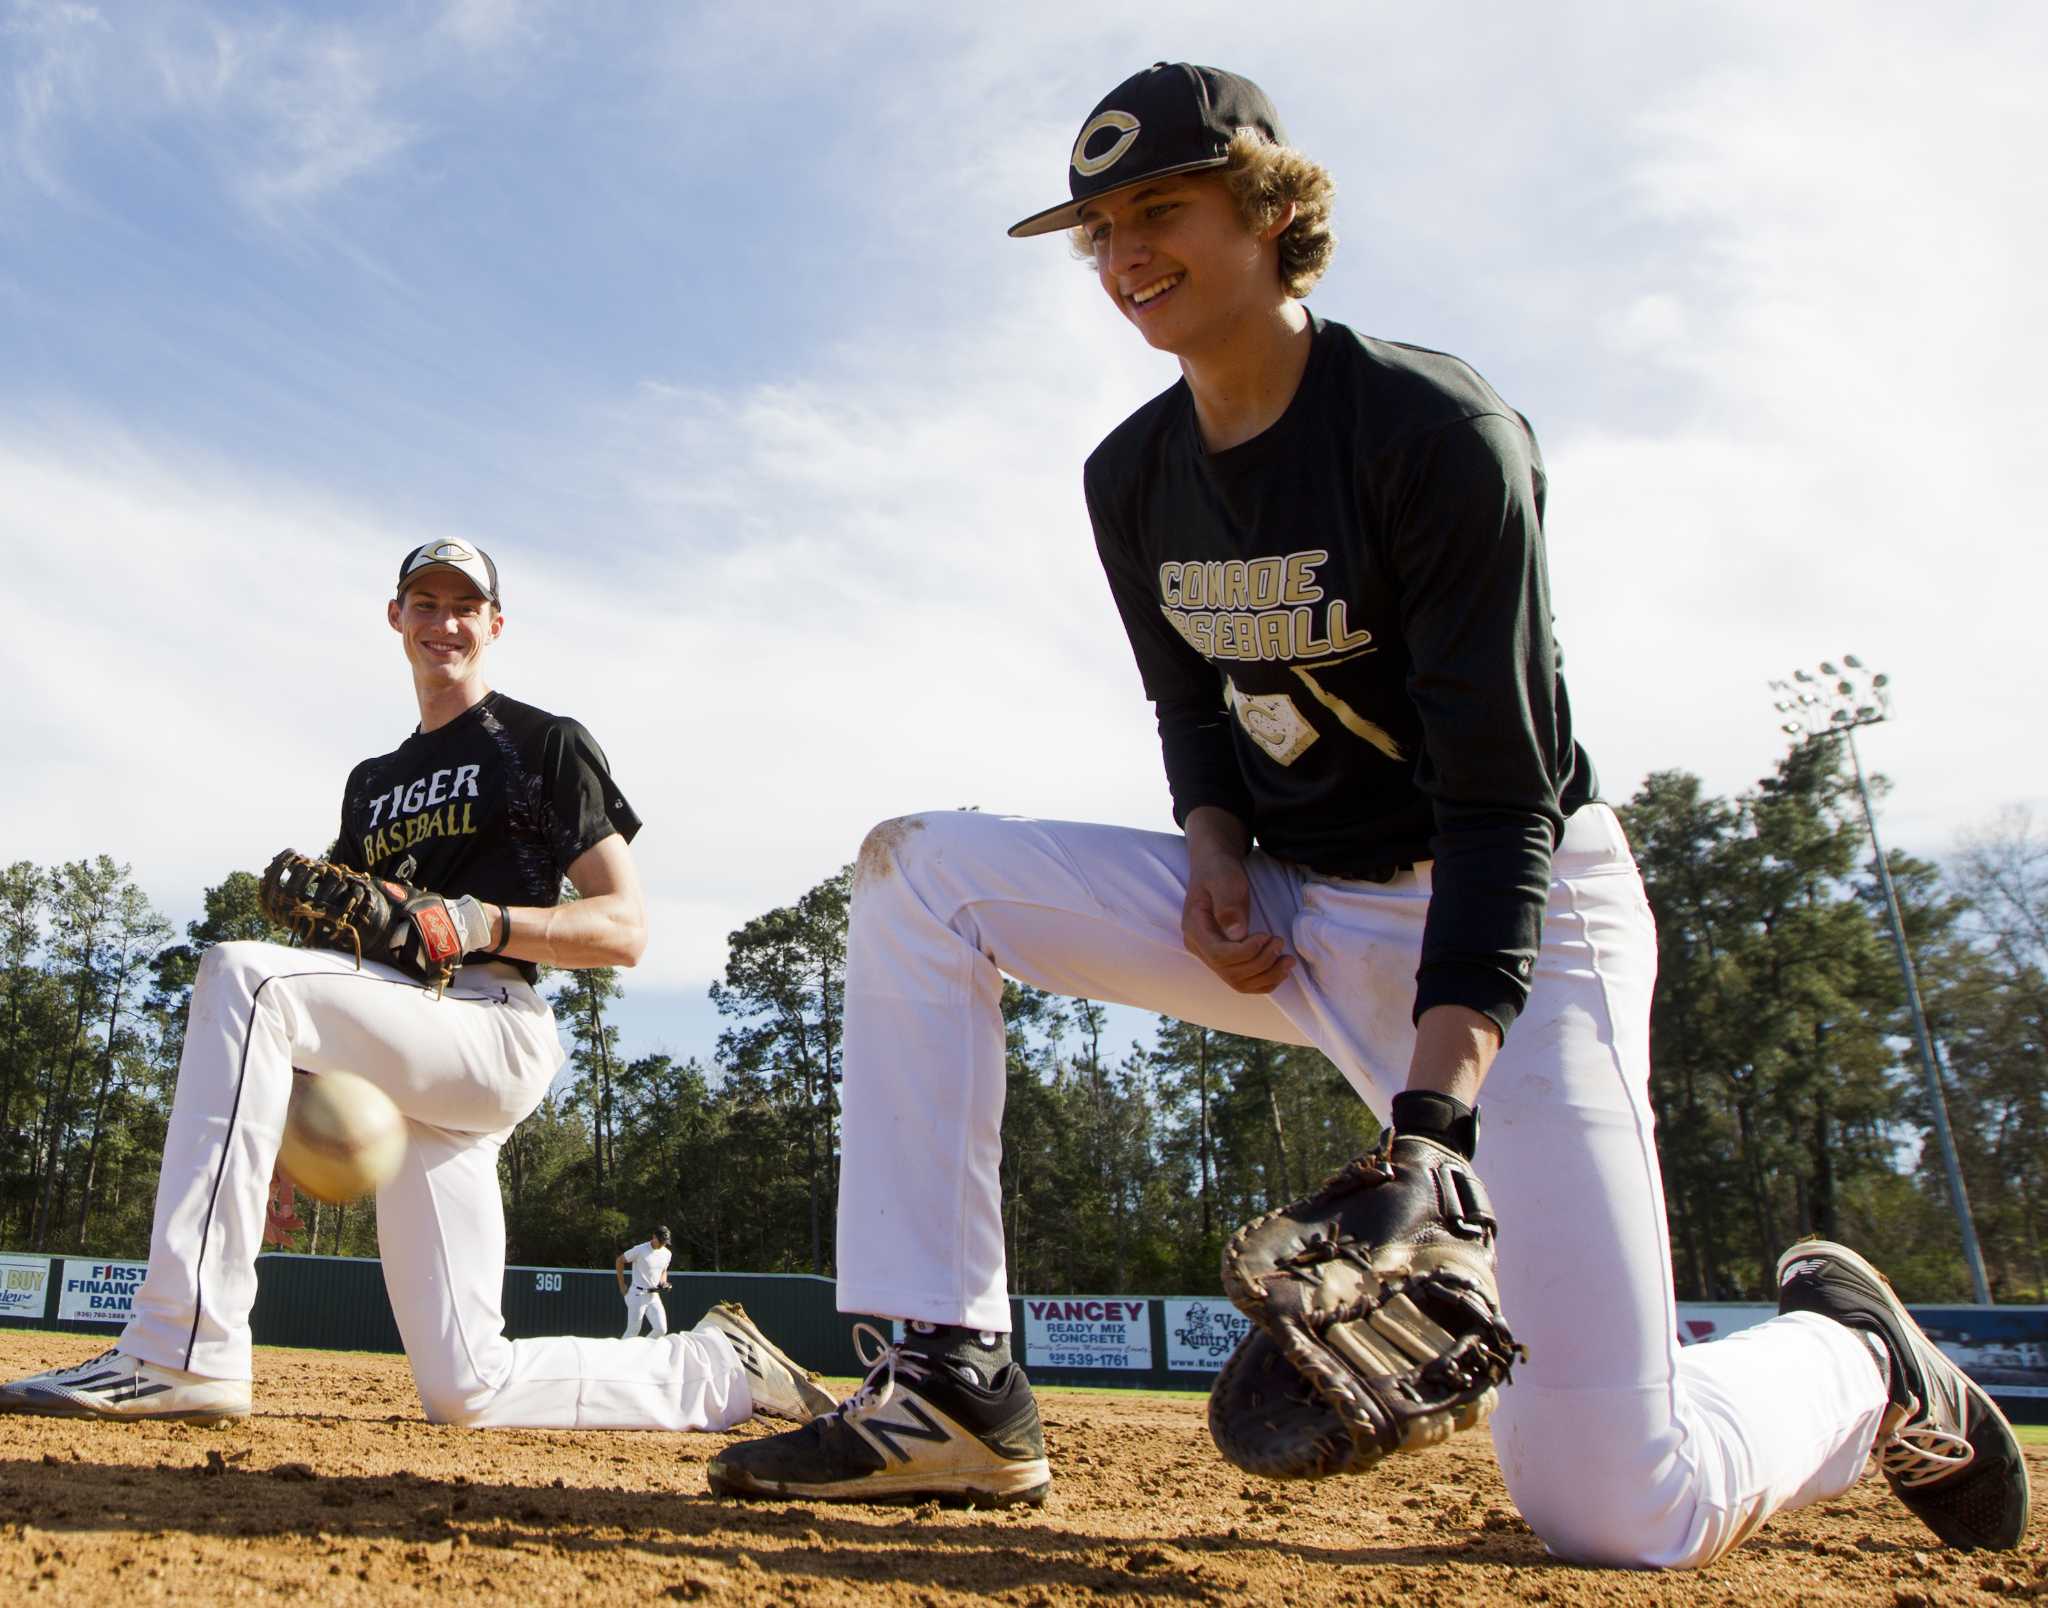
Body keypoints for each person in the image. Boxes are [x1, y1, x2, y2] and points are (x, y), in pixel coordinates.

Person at [707, 63, 2031, 1560]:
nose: (1126, 251)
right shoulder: (1131, 475)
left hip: (1518, 940)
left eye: (1164, 206)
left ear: (1273, 209)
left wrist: (1428, 1129)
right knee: (922, 876)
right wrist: (1212, 849)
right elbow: (1191, 708)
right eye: (1099, 228)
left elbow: (1503, 804)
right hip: (1296, 902)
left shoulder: (1433, 431)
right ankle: (947, 1376)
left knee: (1615, 1504)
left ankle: (1856, 1358)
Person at [1, 541, 830, 1434]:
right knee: (468, 1387)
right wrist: (277, 1119)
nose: (445, 621)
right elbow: (350, 970)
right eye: (424, 602)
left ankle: (177, 1349)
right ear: (396, 618)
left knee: (243, 975)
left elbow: (624, 927)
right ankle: (718, 1370)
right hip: (405, 1057)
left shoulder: (542, 742)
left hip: (491, 1024)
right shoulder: (372, 785)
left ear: (495, 624)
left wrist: (482, 921)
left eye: (464, 605)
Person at [618, 1227, 675, 1339]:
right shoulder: (640, 1250)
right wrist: (621, 1284)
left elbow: (663, 1270)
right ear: (654, 1237)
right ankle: (620, 1355)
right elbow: (620, 1260)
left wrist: (663, 1283)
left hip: (654, 1295)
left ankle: (643, 1350)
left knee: (661, 1329)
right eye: (661, 1241)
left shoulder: (667, 1253)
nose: (663, 1244)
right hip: (637, 1294)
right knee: (633, 1332)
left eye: (665, 1242)